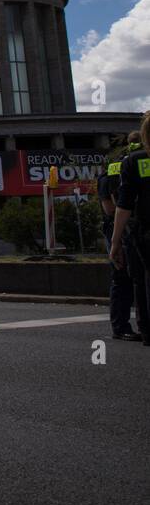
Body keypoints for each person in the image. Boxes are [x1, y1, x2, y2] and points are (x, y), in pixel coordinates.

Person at [110, 112, 150, 348]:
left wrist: (115, 242)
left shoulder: (134, 162)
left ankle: (146, 329)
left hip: (144, 232)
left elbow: (123, 204)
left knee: (143, 281)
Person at [100, 131, 144, 341]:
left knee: (124, 277)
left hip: (120, 225)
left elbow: (108, 206)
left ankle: (122, 325)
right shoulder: (137, 161)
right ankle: (126, 326)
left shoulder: (114, 164)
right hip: (132, 226)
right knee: (132, 278)